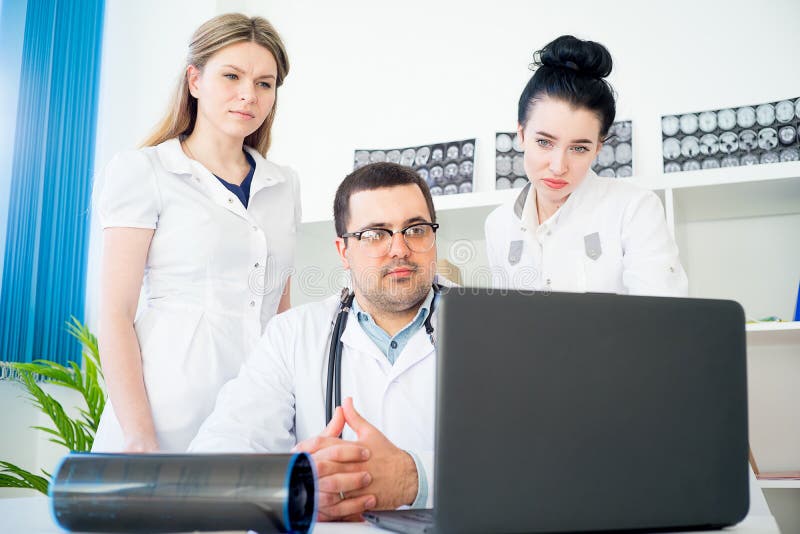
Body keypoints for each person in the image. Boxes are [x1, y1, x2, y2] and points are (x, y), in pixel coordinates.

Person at [189, 162, 444, 521]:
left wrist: (414, 479)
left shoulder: (495, 327)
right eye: (375, 234)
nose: (399, 248)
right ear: (343, 252)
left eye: (415, 230)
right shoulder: (292, 334)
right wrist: (298, 489)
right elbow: (219, 454)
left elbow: (526, 462)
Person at [92, 13, 300, 453]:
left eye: (264, 83)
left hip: (260, 415)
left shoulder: (284, 184)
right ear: (195, 80)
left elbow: (281, 314)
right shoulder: (144, 171)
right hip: (166, 414)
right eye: (232, 76)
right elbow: (115, 314)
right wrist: (139, 435)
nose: (249, 95)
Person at [484, 35, 688, 296]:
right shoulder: (499, 225)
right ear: (522, 135)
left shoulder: (634, 209)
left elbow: (660, 313)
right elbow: (505, 316)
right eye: (544, 142)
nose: (558, 166)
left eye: (579, 148)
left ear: (598, 147)